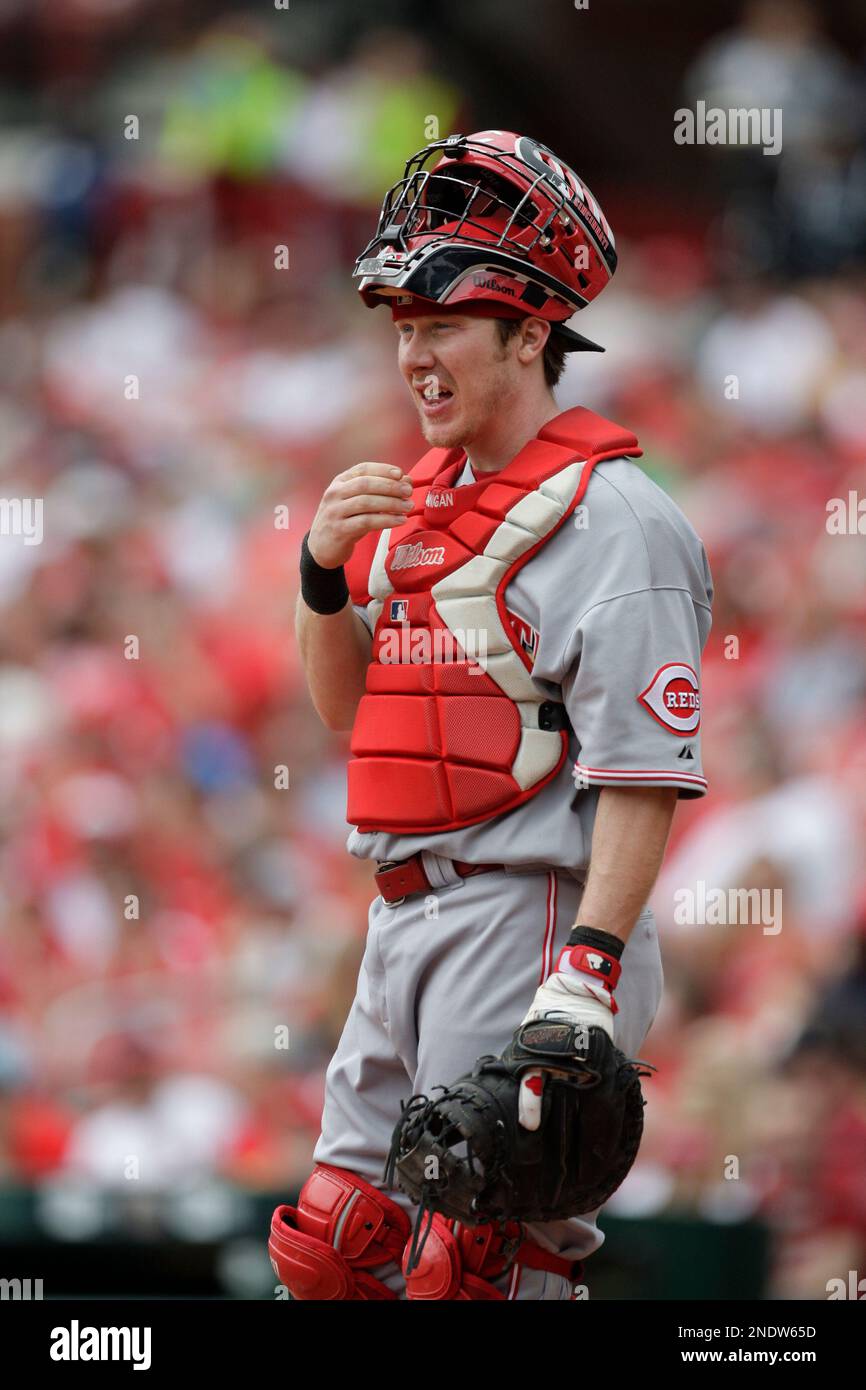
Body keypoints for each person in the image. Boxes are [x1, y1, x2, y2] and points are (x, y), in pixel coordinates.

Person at [270, 130, 714, 1300]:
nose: (414, 356)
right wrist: (321, 578)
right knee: (331, 1253)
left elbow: (643, 771)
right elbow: (347, 710)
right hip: (404, 911)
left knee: (475, 1267)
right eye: (403, 328)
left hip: (528, 906)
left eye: (442, 324)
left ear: (530, 332)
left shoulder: (616, 520)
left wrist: (586, 970)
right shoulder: (421, 502)